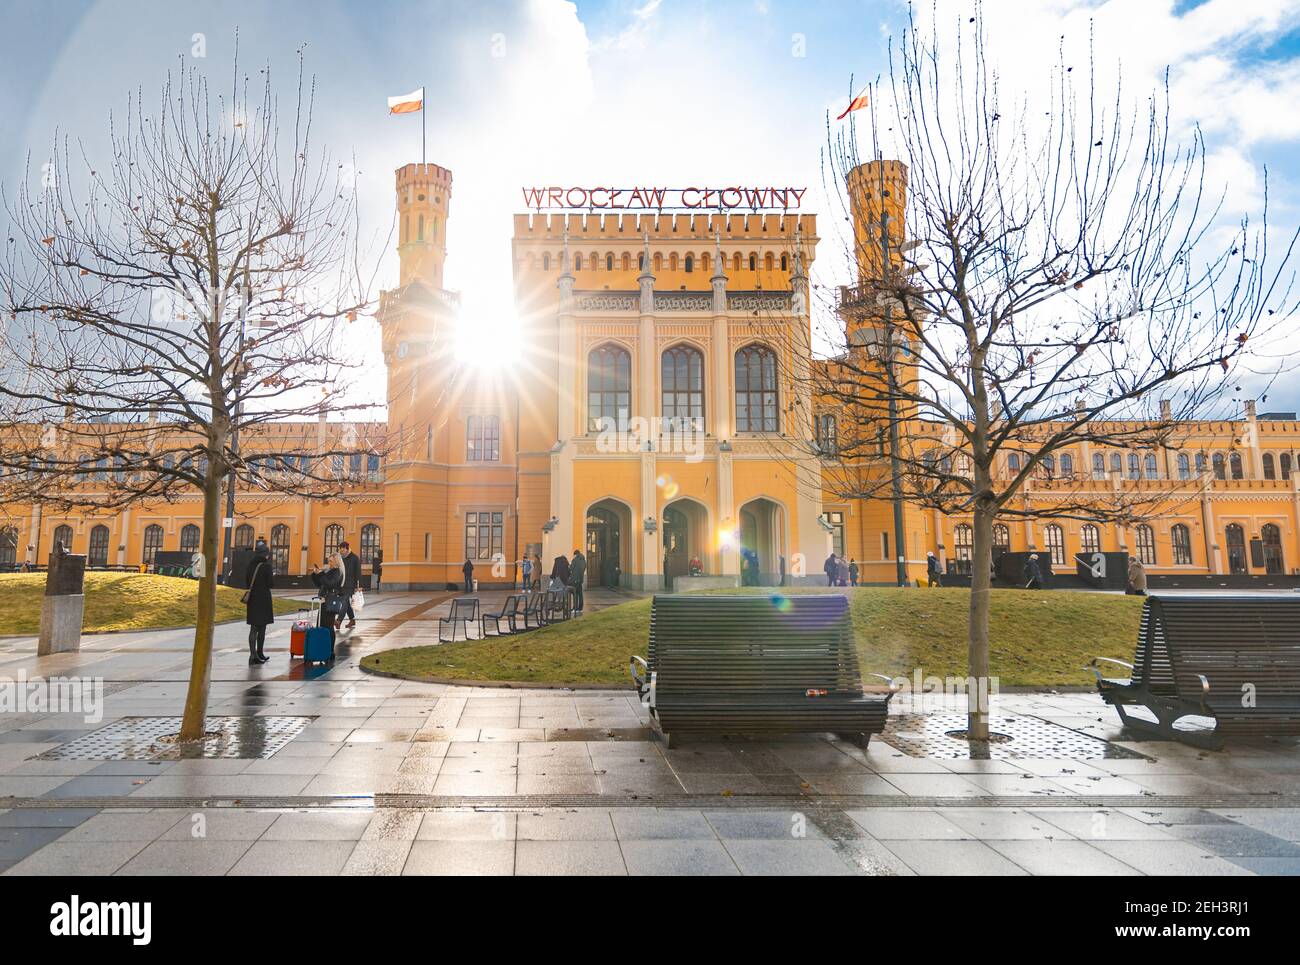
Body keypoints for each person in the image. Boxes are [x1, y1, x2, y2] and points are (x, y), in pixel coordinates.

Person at [243, 539, 274, 665]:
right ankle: (260, 653)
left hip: (253, 599)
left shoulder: (250, 565)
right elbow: (271, 584)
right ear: (265, 554)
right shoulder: (266, 566)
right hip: (264, 599)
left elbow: (246, 581)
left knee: (253, 628)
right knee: (262, 628)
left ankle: (252, 655)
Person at [310, 554, 347, 629]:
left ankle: (329, 640)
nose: (329, 563)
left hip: (330, 601)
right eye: (328, 561)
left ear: (336, 562)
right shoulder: (330, 571)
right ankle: (324, 640)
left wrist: (320, 574)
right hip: (324, 600)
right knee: (321, 624)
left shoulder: (338, 572)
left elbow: (330, 584)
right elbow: (320, 584)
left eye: (331, 561)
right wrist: (315, 574)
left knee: (328, 626)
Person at [337, 540, 362, 629]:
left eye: (342, 550)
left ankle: (338, 621)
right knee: (346, 603)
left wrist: (359, 586)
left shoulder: (355, 558)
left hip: (351, 584)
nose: (341, 551)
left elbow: (358, 572)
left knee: (344, 601)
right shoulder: (340, 558)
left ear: (347, 549)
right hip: (341, 583)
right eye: (340, 549)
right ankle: (352, 620)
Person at [569, 548, 587, 613]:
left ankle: (575, 608)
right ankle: (580, 608)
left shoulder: (575, 560)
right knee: (580, 594)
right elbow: (583, 569)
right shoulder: (583, 560)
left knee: (575, 594)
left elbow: (571, 568)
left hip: (575, 579)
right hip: (580, 579)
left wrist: (569, 566)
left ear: (575, 554)